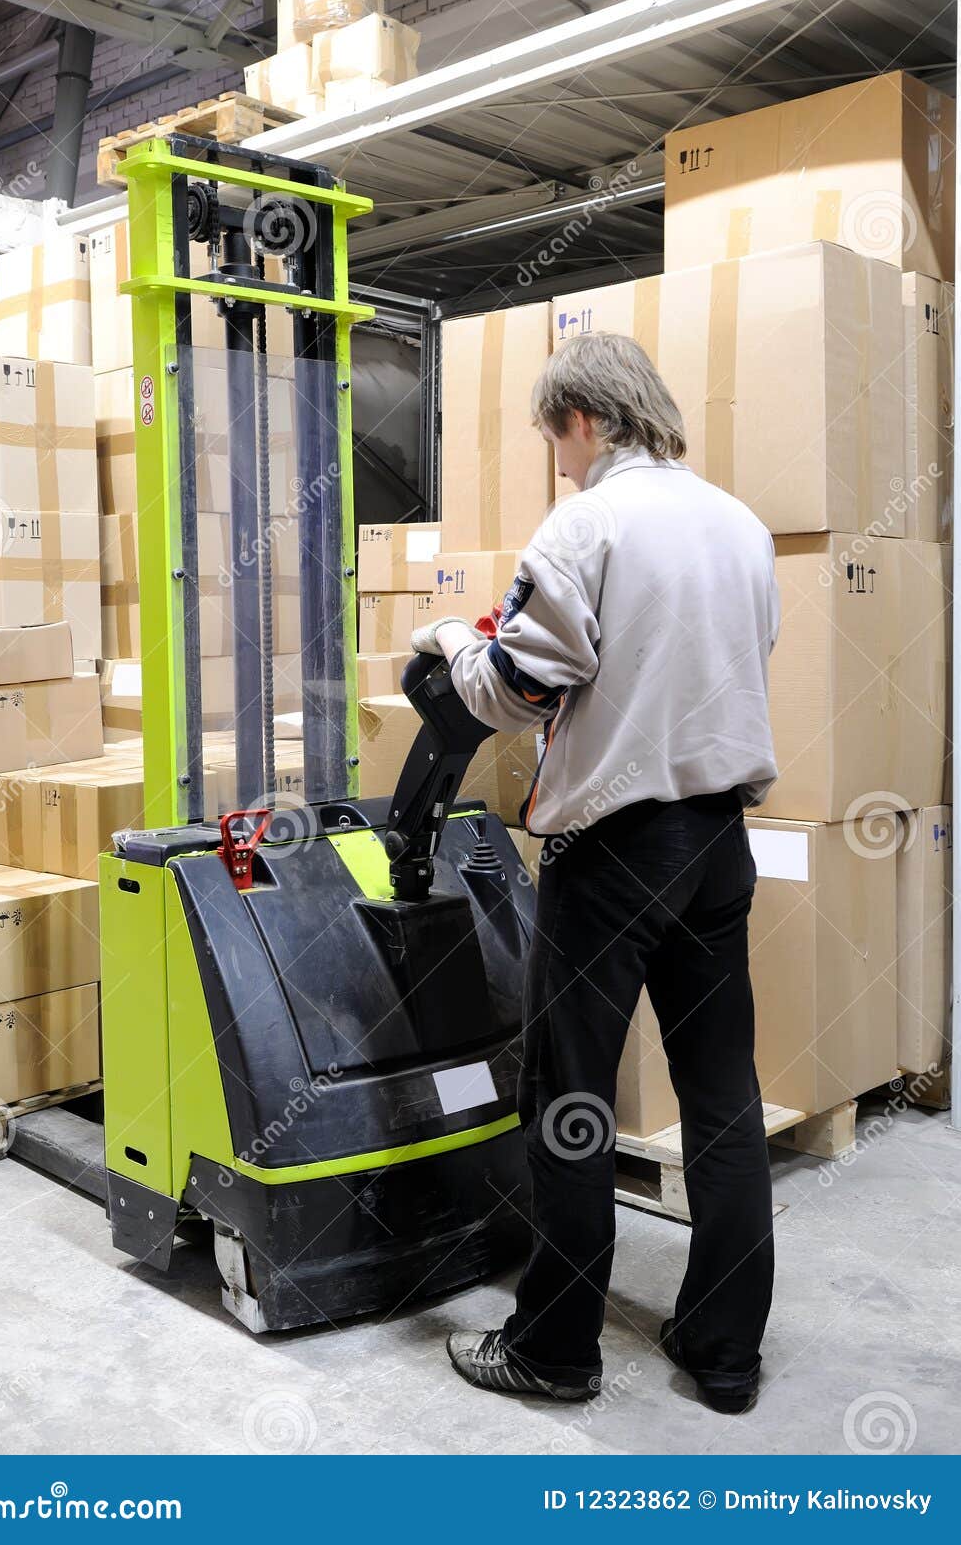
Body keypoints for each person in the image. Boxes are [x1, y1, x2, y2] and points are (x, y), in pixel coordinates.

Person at [412, 332, 780, 1415]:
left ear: (582, 418)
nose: (557, 463)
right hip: (718, 842)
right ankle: (723, 1348)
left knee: (567, 1096)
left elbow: (520, 690)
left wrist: (448, 638)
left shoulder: (589, 521)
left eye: (554, 441)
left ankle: (555, 1346)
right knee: (721, 1097)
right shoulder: (741, 524)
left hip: (613, 845)